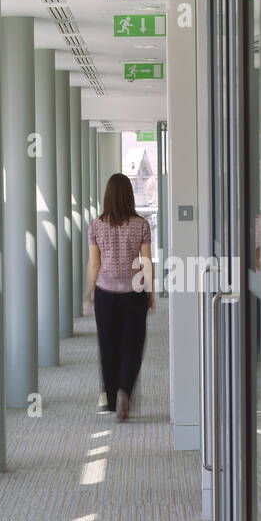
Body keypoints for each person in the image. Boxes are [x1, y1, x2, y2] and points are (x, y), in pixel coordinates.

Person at [84, 173, 154, 422]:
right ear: (129, 195)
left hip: (105, 293)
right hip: (134, 293)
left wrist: (89, 293)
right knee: (132, 345)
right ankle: (125, 389)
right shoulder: (142, 224)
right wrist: (151, 293)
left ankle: (113, 400)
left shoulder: (96, 225)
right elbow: (146, 261)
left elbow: (94, 263)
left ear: (107, 196)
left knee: (108, 346)